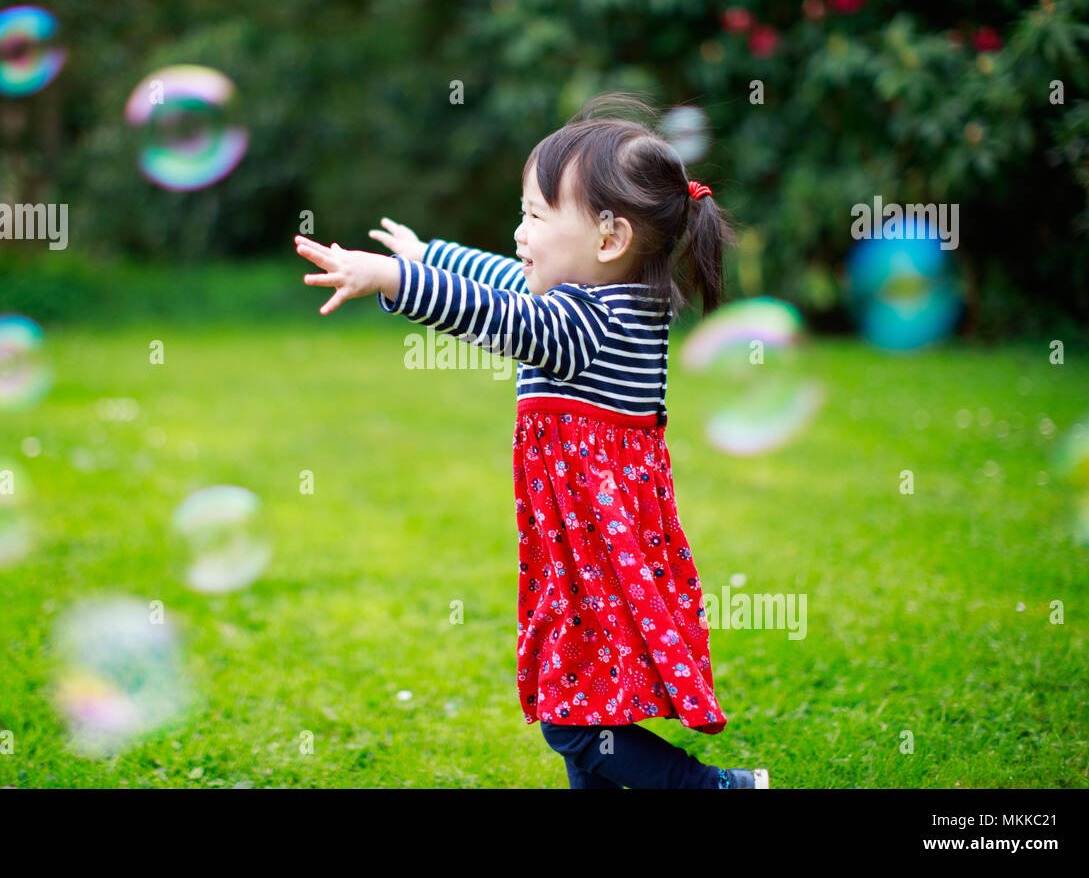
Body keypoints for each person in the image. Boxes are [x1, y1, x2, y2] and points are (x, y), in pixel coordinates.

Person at [293, 91, 768, 789]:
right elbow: (507, 278)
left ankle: (716, 788)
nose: (520, 232)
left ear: (608, 240)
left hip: (593, 550)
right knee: (580, 699)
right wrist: (430, 255)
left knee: (570, 718)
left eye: (536, 217)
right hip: (582, 543)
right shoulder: (618, 297)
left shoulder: (586, 326)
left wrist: (395, 277)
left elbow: (503, 314)